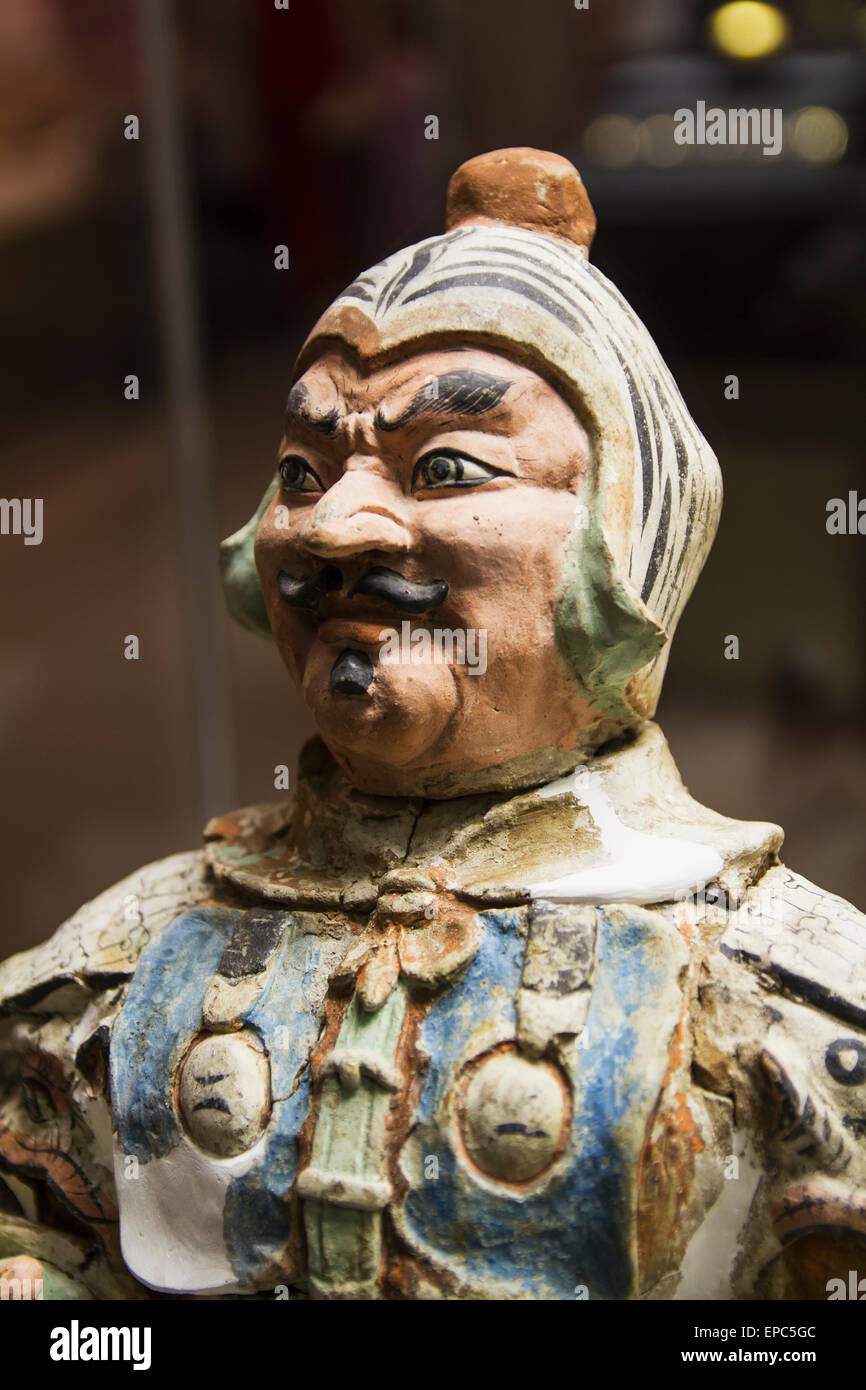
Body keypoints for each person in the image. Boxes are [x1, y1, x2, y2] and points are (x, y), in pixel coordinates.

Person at [2, 148, 865, 1301]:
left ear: (624, 536)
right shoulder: (114, 975)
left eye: (447, 466)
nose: (331, 530)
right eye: (303, 472)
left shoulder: (774, 1002)